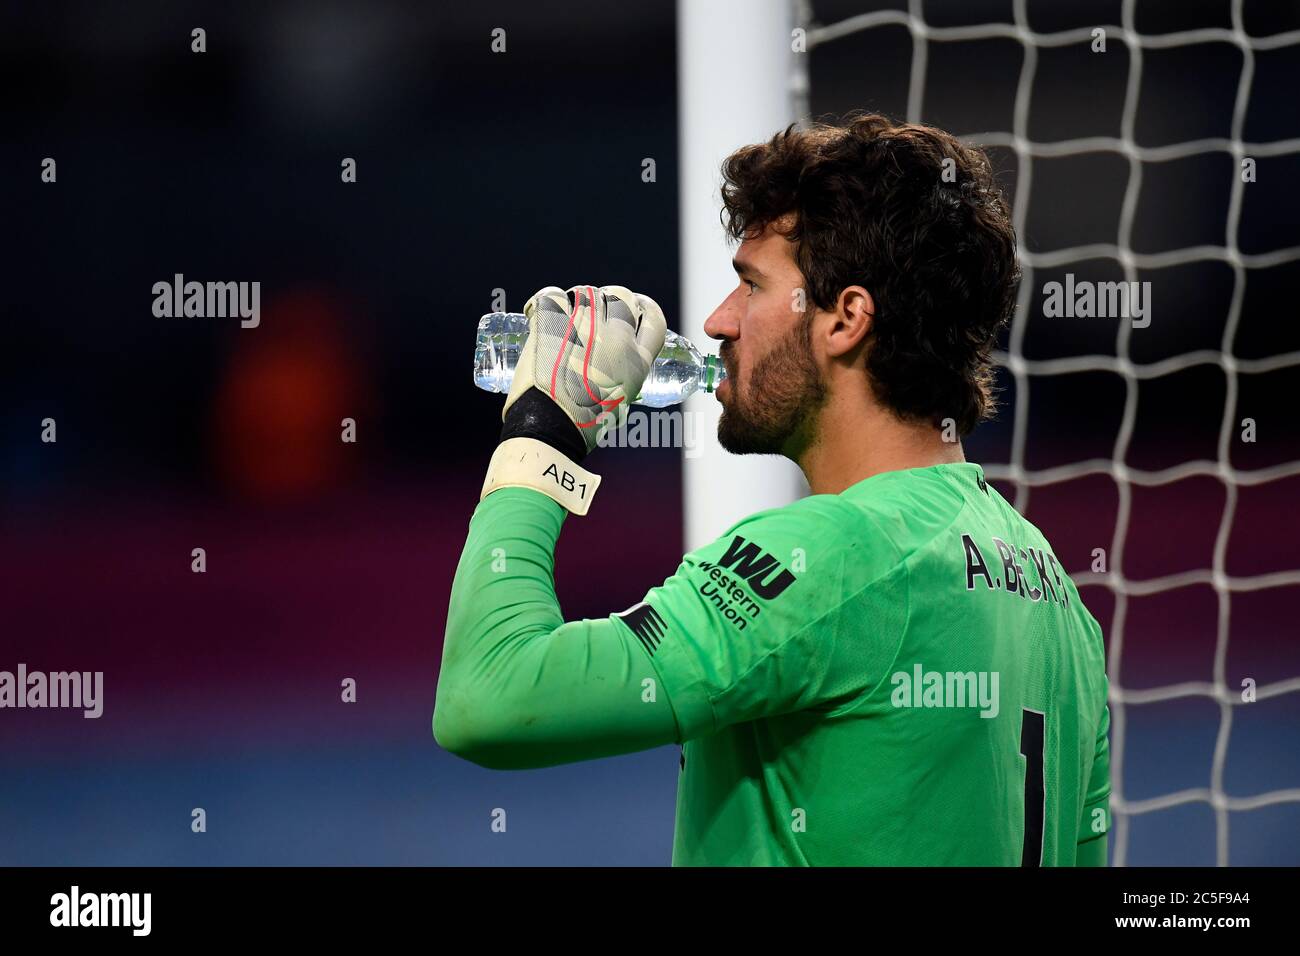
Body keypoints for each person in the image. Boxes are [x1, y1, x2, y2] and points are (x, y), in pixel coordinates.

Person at [434, 112, 1110, 866]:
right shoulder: (1060, 601)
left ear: (845, 319)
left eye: (751, 285)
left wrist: (542, 432)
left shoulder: (831, 555)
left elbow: (486, 698)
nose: (719, 322)